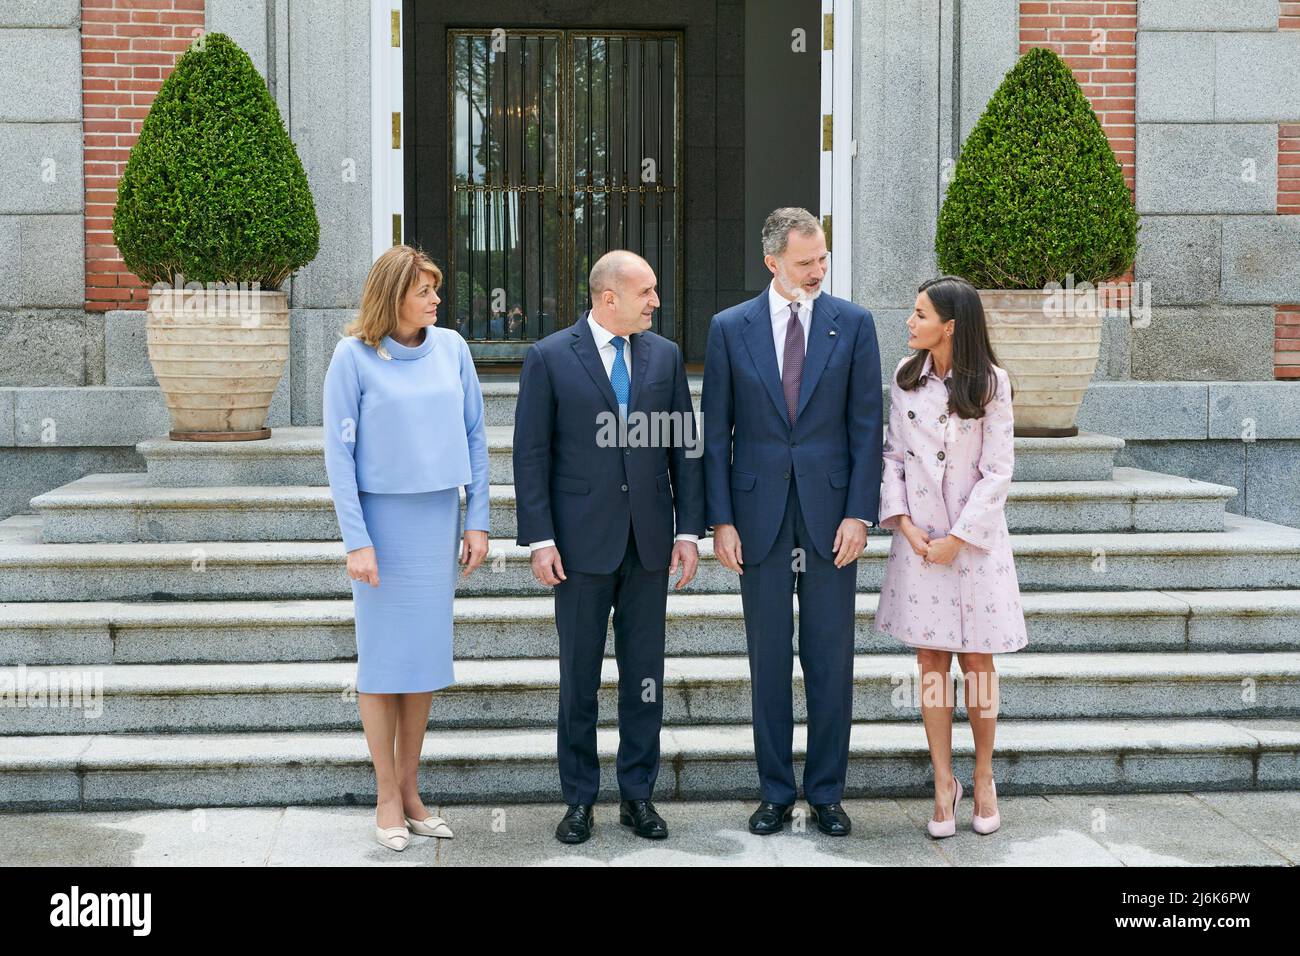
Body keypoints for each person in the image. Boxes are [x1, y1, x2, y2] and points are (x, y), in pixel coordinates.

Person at [702, 207, 883, 837]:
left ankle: (828, 791)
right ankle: (776, 791)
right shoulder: (730, 328)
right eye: (806, 261)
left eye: (823, 258)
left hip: (833, 517)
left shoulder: (853, 325)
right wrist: (719, 521)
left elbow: (867, 428)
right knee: (769, 657)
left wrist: (862, 512)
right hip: (758, 518)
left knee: (831, 658)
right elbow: (715, 433)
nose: (818, 270)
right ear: (772, 261)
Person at [513, 249, 705, 845]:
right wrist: (540, 537)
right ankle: (579, 799)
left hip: (648, 544)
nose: (655, 301)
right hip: (578, 547)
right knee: (579, 677)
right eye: (645, 292)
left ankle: (638, 796)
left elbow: (683, 448)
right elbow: (531, 454)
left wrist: (687, 530)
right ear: (607, 298)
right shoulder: (548, 357)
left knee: (645, 675)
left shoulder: (665, 356)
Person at [322, 244, 490, 852]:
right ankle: (386, 793)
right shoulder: (353, 357)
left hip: (437, 518)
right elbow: (338, 456)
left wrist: (479, 521)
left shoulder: (453, 349)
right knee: (383, 662)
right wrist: (356, 541)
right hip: (381, 525)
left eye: (435, 291)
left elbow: (475, 435)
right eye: (425, 292)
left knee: (422, 660)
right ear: (393, 296)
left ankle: (413, 789)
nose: (436, 300)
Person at [876, 274, 1028, 839]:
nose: (910, 322)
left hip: (975, 545)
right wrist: (906, 526)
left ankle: (983, 774)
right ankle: (944, 781)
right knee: (932, 663)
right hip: (920, 543)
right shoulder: (905, 377)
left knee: (978, 664)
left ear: (950, 326)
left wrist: (959, 538)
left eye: (920, 314)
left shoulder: (992, 384)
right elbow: (891, 455)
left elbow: (998, 471)